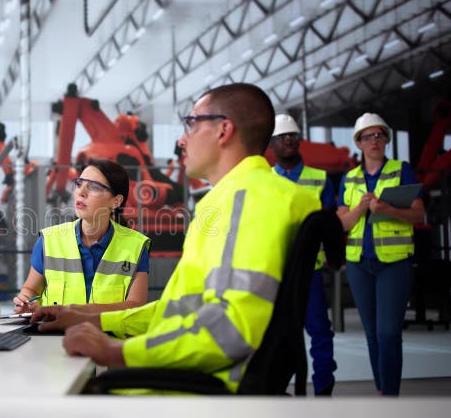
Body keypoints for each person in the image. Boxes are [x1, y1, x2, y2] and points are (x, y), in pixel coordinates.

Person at [31, 83, 320, 392]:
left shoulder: (248, 198)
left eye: (191, 124)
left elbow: (229, 328)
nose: (182, 140)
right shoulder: (231, 199)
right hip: (188, 378)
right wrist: (87, 317)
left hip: (191, 392)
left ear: (224, 131)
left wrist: (115, 352)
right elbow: (178, 309)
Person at [336, 112, 424, 396]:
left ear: (386, 139)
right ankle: (382, 392)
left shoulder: (401, 170)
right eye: (368, 136)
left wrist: (388, 210)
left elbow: (418, 214)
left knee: (388, 333)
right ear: (359, 143)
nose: (374, 141)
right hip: (359, 265)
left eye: (379, 135)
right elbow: (343, 224)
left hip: (394, 264)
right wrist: (360, 209)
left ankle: (390, 396)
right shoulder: (348, 179)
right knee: (373, 335)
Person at [13, 158, 150, 313]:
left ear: (116, 202)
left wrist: (80, 312)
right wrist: (25, 301)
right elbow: (31, 290)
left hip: (107, 336)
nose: (81, 193)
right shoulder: (49, 240)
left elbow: (136, 306)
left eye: (94, 187)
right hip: (52, 335)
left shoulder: (135, 246)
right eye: (79, 184)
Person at [270, 113, 337, 395]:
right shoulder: (263, 181)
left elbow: (331, 224)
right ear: (271, 143)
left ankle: (323, 392)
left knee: (319, 333)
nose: (289, 139)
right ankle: (277, 390)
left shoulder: (320, 179)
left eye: (293, 135)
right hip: (274, 272)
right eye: (283, 136)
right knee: (278, 335)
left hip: (310, 271)